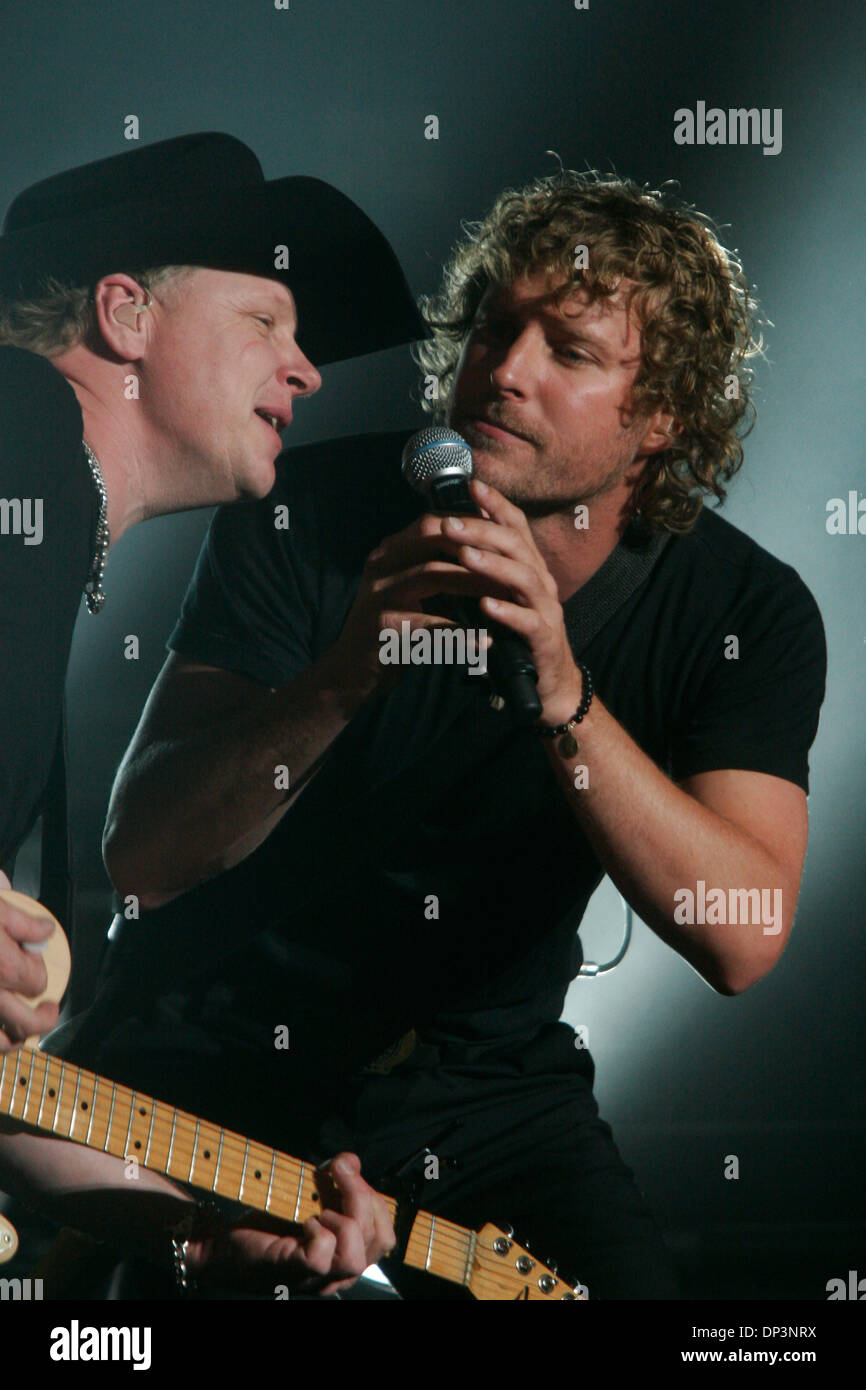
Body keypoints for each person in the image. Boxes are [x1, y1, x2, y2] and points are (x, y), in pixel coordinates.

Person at [16, 168, 826, 1300]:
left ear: (664, 418)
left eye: (570, 351)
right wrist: (342, 677)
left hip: (485, 1094)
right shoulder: (309, 507)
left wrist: (565, 696)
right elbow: (143, 851)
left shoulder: (744, 612)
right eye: (496, 327)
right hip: (209, 1047)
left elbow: (739, 936)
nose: (505, 370)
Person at [0, 129, 427, 1292]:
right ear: (126, 316)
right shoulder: (22, 423)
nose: (308, 369)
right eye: (265, 322)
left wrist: (199, 1232)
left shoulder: (40, 518)